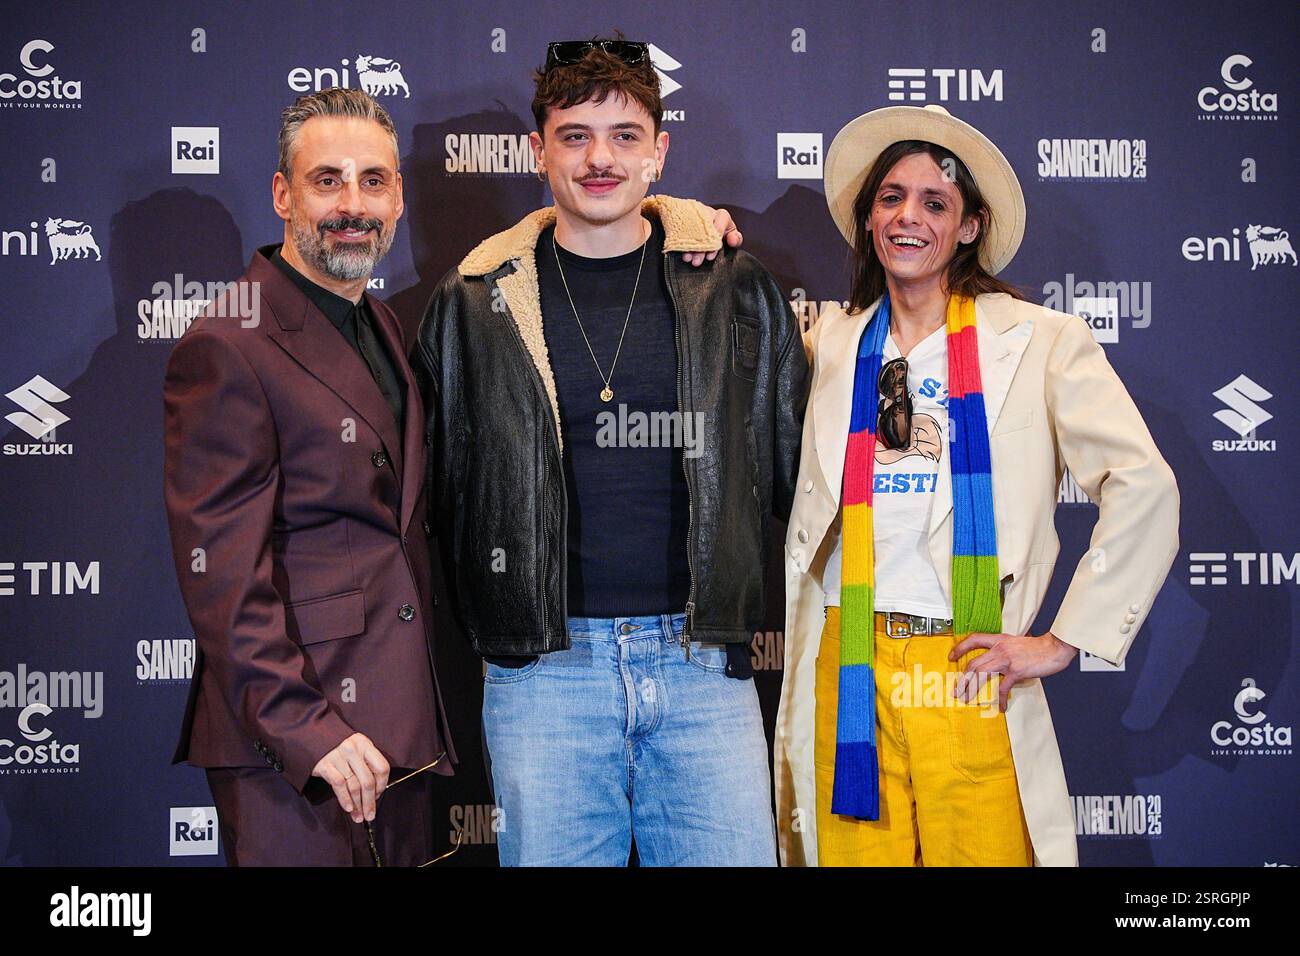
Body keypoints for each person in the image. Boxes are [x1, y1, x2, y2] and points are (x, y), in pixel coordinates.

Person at [414, 39, 808, 866]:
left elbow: (788, 473)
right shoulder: (474, 302)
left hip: (706, 666)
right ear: (538, 151)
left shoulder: (733, 285)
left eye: (626, 135)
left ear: (659, 152)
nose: (601, 159)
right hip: (544, 675)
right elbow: (444, 494)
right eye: (576, 135)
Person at [773, 104, 1179, 866]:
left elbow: (1144, 484)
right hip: (850, 662)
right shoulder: (828, 342)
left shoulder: (1043, 342)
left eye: (935, 202)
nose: (908, 218)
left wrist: (1062, 641)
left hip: (968, 665)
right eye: (891, 198)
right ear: (868, 220)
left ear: (967, 227)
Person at [163, 88, 455, 866]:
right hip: (296, 753)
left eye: (373, 181)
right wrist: (309, 732)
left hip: (398, 731)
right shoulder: (229, 343)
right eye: (327, 180)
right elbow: (223, 577)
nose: (352, 205)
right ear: (283, 195)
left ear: (398, 197)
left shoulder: (381, 322)